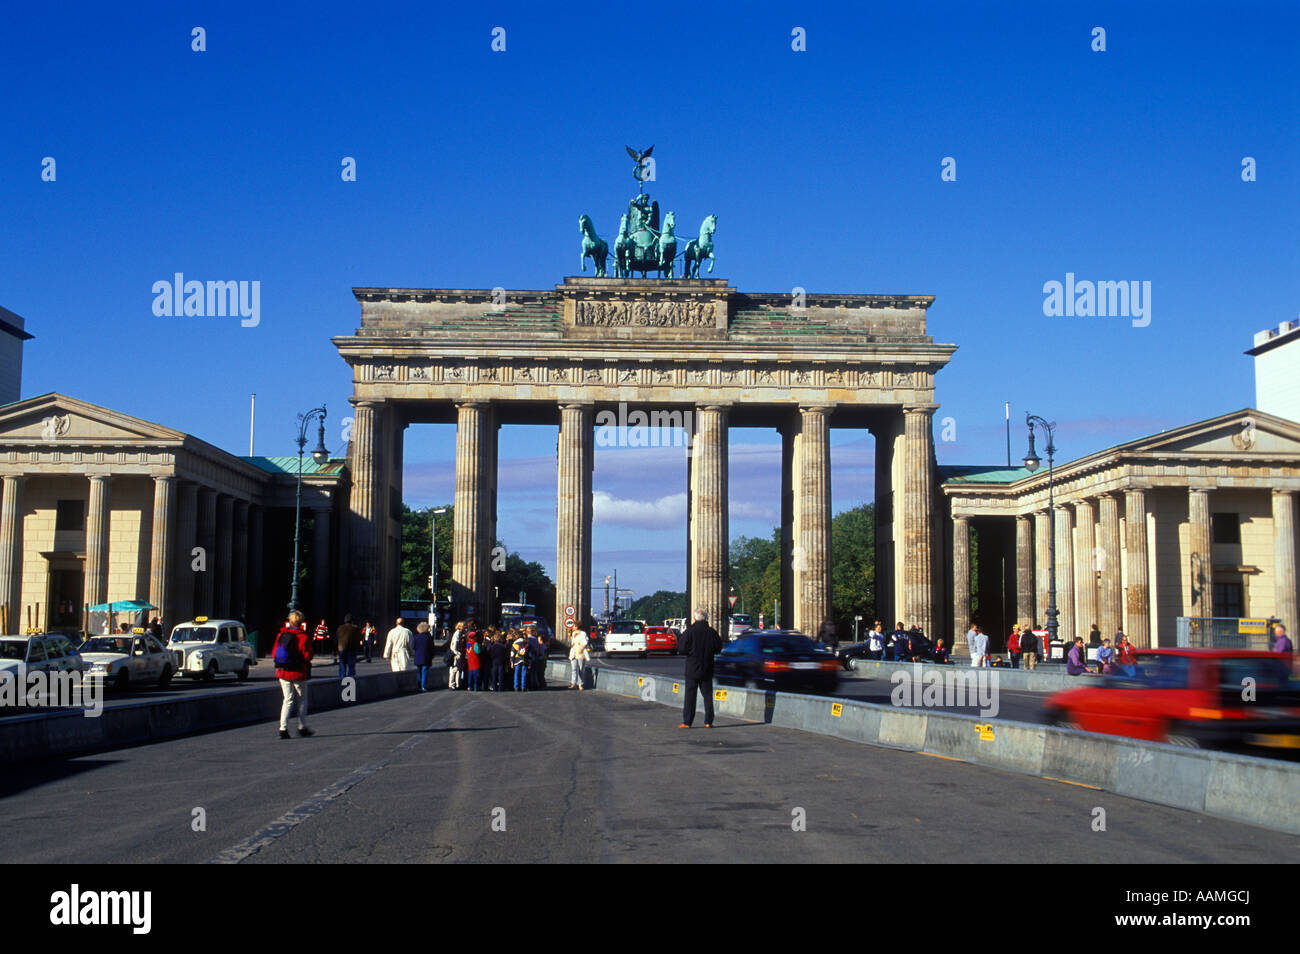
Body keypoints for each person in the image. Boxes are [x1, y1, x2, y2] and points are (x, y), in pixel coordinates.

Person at [678, 609, 722, 728]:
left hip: (692, 668)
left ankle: (687, 722)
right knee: (707, 695)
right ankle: (708, 721)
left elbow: (681, 648)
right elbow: (718, 647)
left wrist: (690, 652)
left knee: (690, 696)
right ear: (706, 618)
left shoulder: (689, 632)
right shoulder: (712, 632)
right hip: (707, 667)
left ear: (694, 618)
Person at [274, 610, 314, 740]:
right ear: (301, 622)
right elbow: (308, 655)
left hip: (283, 672)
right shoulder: (303, 636)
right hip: (298, 672)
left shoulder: (281, 634)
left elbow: (275, 653)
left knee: (287, 700)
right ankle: (302, 726)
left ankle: (283, 728)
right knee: (302, 700)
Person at [335, 613, 361, 679]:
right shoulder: (355, 628)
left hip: (342, 648)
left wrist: (335, 649)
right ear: (352, 620)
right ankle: (350, 681)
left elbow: (336, 639)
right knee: (351, 666)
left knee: (342, 665)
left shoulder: (340, 628)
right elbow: (358, 639)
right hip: (352, 649)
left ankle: (342, 678)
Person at [412, 621, 436, 691]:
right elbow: (432, 647)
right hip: (426, 656)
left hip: (418, 656)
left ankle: (419, 685)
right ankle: (423, 686)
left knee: (419, 671)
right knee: (425, 671)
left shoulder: (416, 637)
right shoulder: (429, 637)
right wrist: (432, 655)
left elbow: (413, 646)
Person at [569, 623, 591, 689]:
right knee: (574, 668)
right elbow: (572, 643)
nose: (573, 627)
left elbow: (586, 642)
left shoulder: (583, 633)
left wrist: (582, 649)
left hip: (580, 653)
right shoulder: (573, 633)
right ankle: (573, 683)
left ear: (577, 626)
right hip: (574, 652)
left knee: (581, 669)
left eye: (574, 626)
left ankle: (580, 684)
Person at [448, 622, 465, 689]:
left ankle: (457, 683)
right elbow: (454, 645)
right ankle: (452, 684)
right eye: (464, 626)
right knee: (455, 669)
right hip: (457, 653)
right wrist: (457, 652)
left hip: (458, 652)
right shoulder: (457, 634)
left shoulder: (460, 633)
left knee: (459, 669)